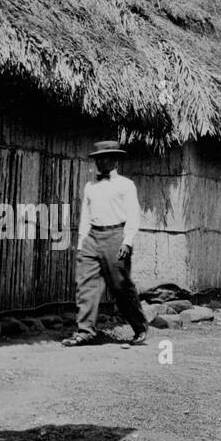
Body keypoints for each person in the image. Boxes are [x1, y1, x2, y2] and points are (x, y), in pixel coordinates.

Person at [63, 140, 149, 348]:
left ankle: (139, 327)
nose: (101, 162)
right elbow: (85, 216)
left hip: (116, 236)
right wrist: (82, 243)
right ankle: (85, 332)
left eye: (106, 158)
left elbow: (133, 215)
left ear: (115, 160)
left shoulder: (126, 185)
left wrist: (127, 241)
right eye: (98, 159)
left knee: (120, 285)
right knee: (85, 284)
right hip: (92, 237)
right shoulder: (90, 187)